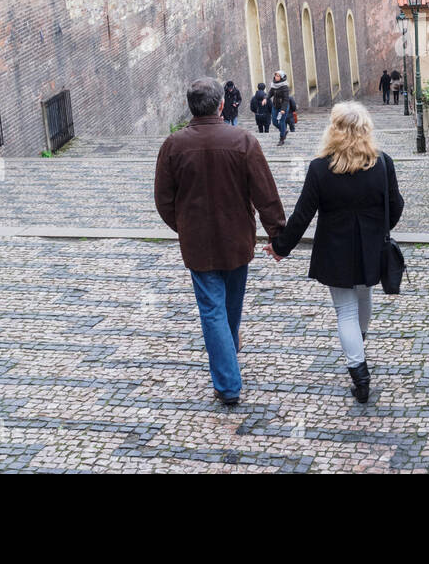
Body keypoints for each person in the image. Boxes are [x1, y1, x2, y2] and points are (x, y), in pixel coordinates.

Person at [154, 77, 285, 407]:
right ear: (222, 104)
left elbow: (163, 200)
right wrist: (278, 236)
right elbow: (266, 195)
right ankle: (228, 383)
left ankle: (226, 367)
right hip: (238, 239)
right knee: (227, 306)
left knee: (216, 310)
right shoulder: (242, 140)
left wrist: (184, 226)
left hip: (198, 244)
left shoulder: (173, 145)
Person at [266, 102, 402, 403]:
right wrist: (378, 231)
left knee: (346, 311)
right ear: (366, 129)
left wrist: (280, 247)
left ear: (335, 131)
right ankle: (358, 348)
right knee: (363, 297)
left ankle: (359, 372)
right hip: (370, 248)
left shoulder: (320, 168)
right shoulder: (383, 163)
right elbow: (397, 206)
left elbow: (302, 215)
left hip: (335, 250)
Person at [269, 71, 292, 146]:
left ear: (281, 77)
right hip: (275, 106)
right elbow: (270, 93)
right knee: (274, 122)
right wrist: (266, 98)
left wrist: (283, 109)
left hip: (283, 107)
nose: (276, 77)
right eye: (275, 75)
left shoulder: (284, 87)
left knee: (282, 122)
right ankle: (284, 131)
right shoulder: (274, 85)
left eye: (278, 76)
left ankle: (282, 139)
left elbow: (286, 99)